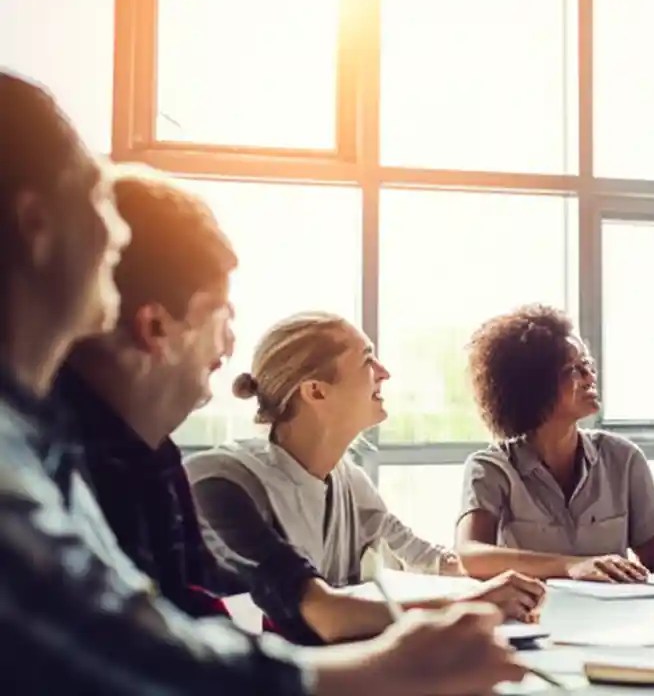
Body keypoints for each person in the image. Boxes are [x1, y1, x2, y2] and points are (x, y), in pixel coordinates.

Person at [0, 71, 524, 695]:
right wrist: (387, 671)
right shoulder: (82, 459)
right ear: (36, 225)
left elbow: (175, 625)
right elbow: (119, 652)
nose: (115, 232)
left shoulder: (90, 449)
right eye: (93, 199)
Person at [187, 311, 546, 644]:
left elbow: (429, 559)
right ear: (315, 391)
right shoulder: (221, 485)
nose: (384, 372)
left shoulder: (347, 480)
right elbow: (325, 616)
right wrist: (477, 604)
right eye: (366, 360)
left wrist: (528, 583)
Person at [52, 165, 247, 618]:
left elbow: (207, 600)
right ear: (156, 326)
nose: (230, 345)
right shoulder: (64, 469)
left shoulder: (151, 455)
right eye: (220, 315)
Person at [454, 304, 654, 582]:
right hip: (532, 620)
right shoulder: (491, 468)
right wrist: (572, 566)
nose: (589, 377)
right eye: (574, 369)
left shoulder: (623, 459)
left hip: (618, 621)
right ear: (534, 385)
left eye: (588, 365)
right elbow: (470, 556)